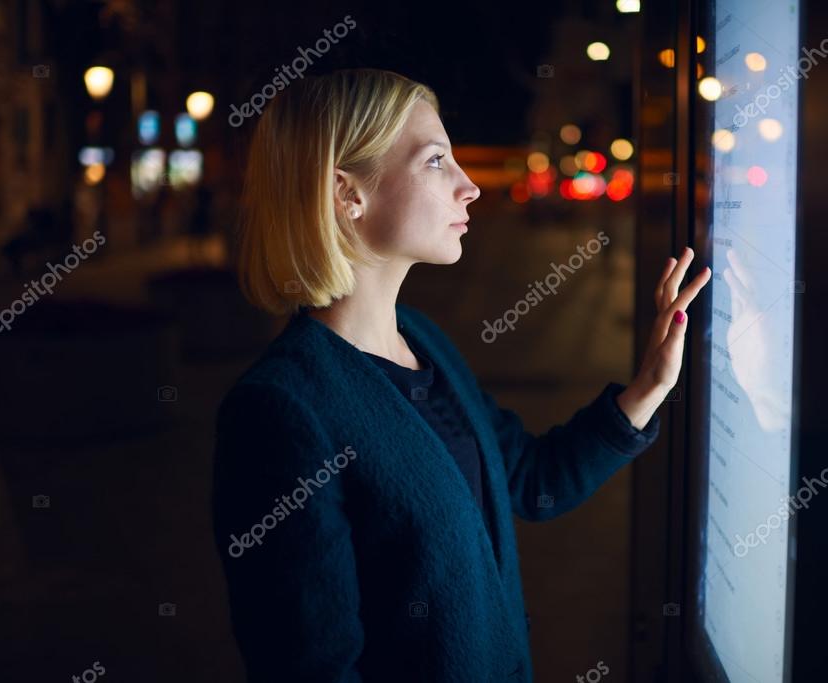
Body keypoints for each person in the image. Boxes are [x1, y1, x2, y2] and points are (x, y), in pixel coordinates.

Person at [211, 68, 711, 682]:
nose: (470, 186)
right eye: (436, 162)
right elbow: (310, 668)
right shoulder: (280, 409)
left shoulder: (424, 342)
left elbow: (530, 481)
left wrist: (647, 388)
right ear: (347, 195)